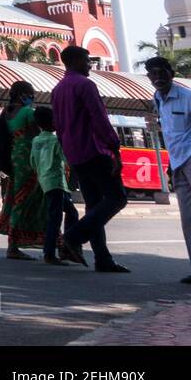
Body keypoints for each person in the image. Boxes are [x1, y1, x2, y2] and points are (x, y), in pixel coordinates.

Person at [52, 45, 129, 273]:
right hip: (94, 150)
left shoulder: (58, 89)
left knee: (94, 204)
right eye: (87, 60)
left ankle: (102, 258)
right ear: (75, 61)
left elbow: (59, 125)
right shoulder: (85, 85)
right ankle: (73, 237)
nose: (90, 65)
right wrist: (114, 147)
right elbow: (99, 118)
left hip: (75, 154)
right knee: (117, 197)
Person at [144, 56, 191, 284]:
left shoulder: (188, 98)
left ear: (171, 73)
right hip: (177, 164)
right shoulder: (157, 99)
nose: (158, 78)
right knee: (189, 220)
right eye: (153, 74)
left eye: (161, 72)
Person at [0, 81, 50, 259]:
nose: (33, 97)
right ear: (22, 95)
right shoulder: (27, 112)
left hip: (14, 160)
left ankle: (15, 242)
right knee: (29, 200)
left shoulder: (6, 113)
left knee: (17, 199)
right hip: (29, 160)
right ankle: (16, 244)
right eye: (30, 94)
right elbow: (37, 136)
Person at [31, 105, 84, 267]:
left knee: (69, 212)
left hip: (45, 181)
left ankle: (66, 246)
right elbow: (67, 159)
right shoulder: (56, 140)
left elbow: (33, 162)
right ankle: (51, 252)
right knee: (56, 217)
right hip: (57, 182)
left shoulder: (36, 140)